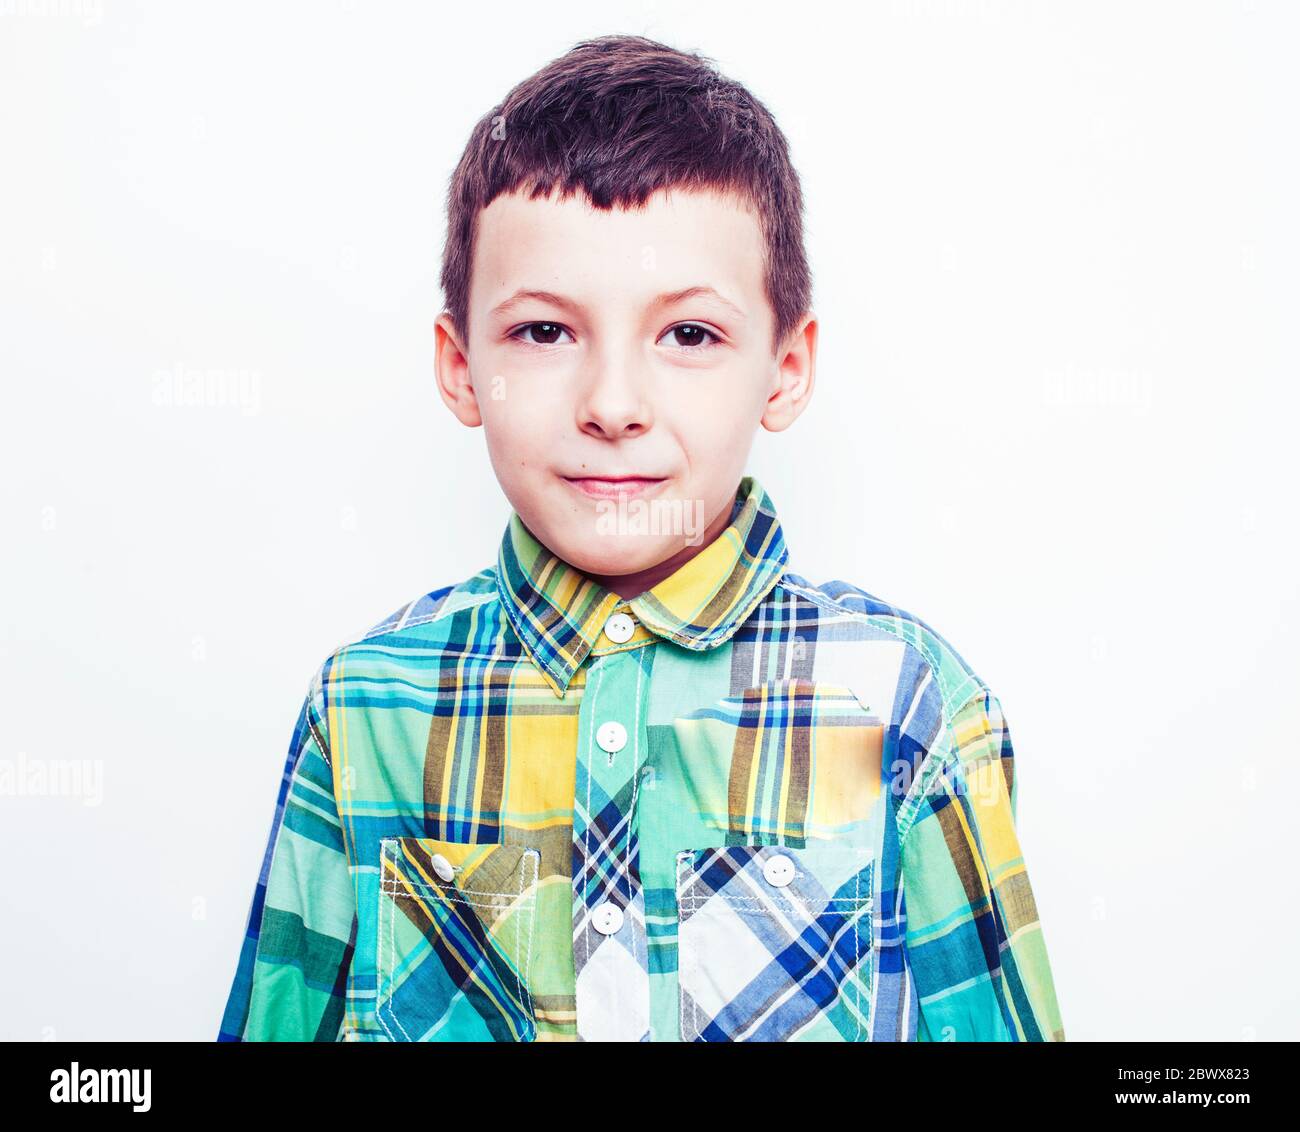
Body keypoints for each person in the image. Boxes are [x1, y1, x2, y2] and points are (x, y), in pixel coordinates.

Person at [218, 33, 1064, 1042]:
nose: (612, 404)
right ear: (458, 366)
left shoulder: (908, 705)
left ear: (786, 367)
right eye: (543, 332)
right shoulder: (365, 706)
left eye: (688, 335)